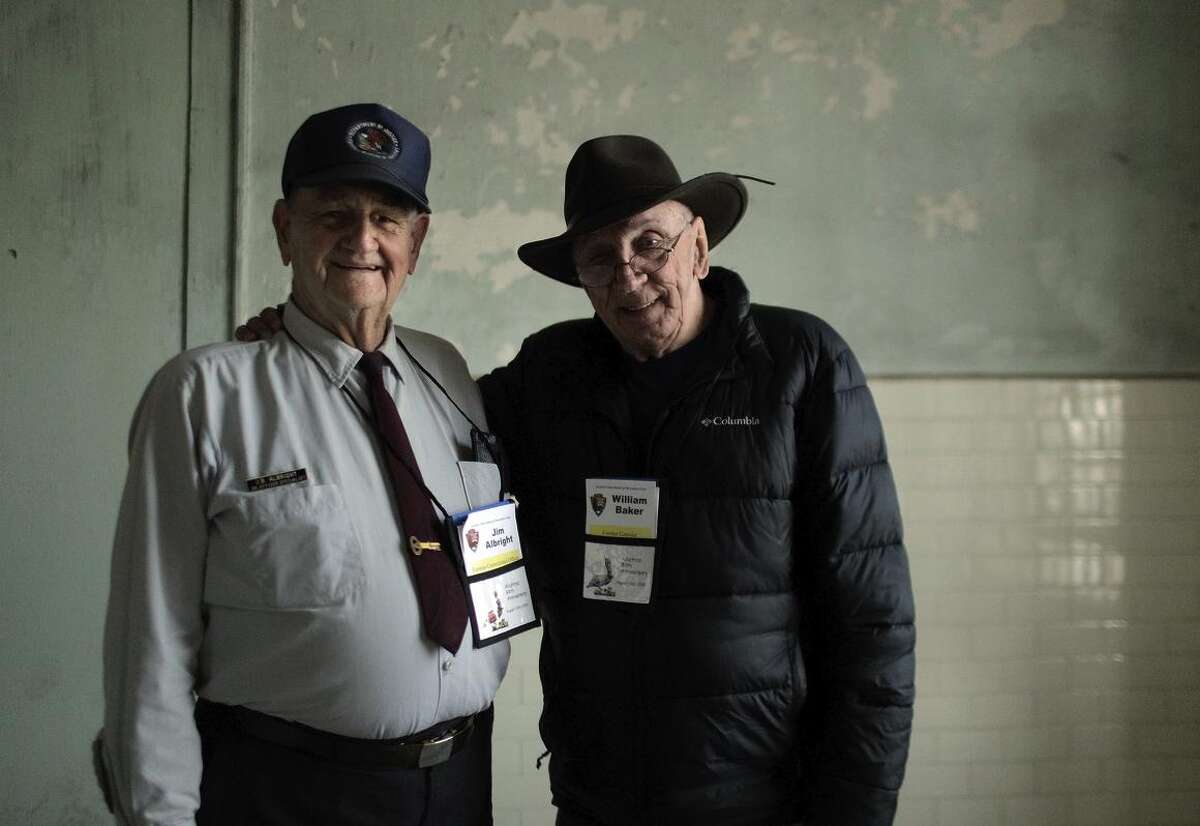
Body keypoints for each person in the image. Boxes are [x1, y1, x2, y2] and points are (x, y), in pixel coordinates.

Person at [240, 134, 915, 825]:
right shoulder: (551, 374)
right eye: (599, 258)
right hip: (598, 797)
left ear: (699, 247)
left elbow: (873, 623)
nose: (627, 277)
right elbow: (412, 424)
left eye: (649, 244)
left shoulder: (800, 365)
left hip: (762, 799)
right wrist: (306, 344)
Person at [99, 103, 508, 826]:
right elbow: (150, 643)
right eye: (333, 214)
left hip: (460, 788)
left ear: (416, 243)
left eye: (387, 218)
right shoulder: (204, 393)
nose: (362, 239)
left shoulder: (448, 373)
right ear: (286, 230)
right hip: (286, 791)